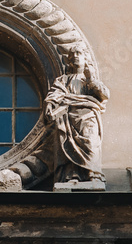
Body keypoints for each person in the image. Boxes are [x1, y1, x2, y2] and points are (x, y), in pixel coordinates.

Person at [44, 47, 109, 186]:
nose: (75, 56)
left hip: (88, 117)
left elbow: (104, 95)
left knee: (90, 142)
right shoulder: (63, 80)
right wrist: (50, 103)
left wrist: (91, 78)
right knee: (68, 144)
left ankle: (93, 175)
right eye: (72, 54)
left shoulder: (89, 80)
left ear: (85, 58)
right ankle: (71, 176)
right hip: (68, 117)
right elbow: (55, 93)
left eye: (78, 53)